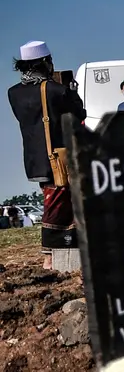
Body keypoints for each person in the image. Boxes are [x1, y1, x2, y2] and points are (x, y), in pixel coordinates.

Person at [7, 41, 87, 269]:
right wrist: (71, 91)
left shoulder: (13, 93)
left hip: (35, 158)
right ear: (45, 62)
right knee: (58, 203)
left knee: (57, 201)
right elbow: (79, 113)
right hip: (58, 158)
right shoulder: (56, 90)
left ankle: (59, 251)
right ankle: (50, 256)